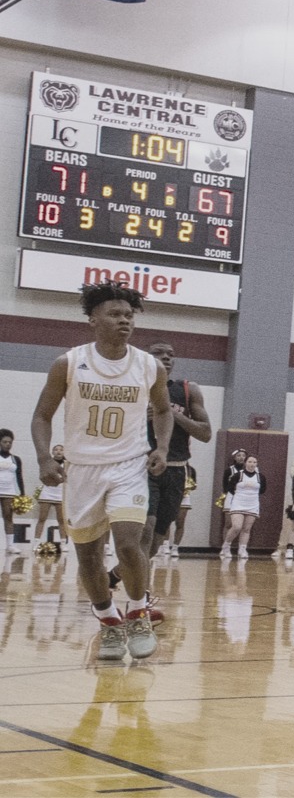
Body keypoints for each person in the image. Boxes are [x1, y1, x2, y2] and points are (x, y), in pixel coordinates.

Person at [27, 283, 170, 662]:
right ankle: (108, 621)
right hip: (82, 469)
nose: (124, 320)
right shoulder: (69, 363)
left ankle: (137, 613)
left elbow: (164, 410)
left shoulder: (147, 365)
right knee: (88, 557)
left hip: (128, 466)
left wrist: (162, 447)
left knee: (128, 543)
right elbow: (42, 415)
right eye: (114, 314)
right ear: (93, 319)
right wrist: (44, 458)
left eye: (129, 315)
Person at [142, 343, 210, 560]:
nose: (166, 358)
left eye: (171, 355)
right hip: (143, 468)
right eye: (158, 354)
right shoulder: (135, 388)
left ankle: (117, 576)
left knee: (158, 536)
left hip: (177, 471)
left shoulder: (188, 390)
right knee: (146, 526)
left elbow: (205, 433)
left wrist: (171, 414)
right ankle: (140, 592)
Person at [0, 430, 22, 558]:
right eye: (5, 442)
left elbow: (19, 476)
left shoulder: (15, 459)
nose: (8, 444)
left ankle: (10, 545)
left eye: (10, 442)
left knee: (8, 517)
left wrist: (22, 493)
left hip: (9, 492)